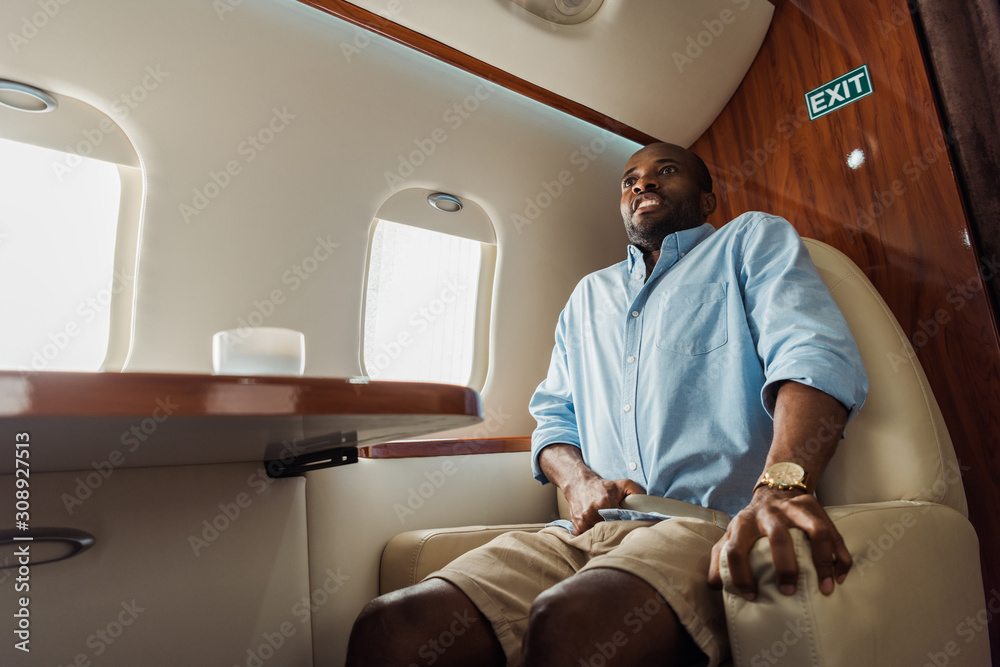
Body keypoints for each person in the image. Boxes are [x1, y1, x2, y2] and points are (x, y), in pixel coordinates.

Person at [345, 142, 869, 667]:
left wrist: (782, 486)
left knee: (572, 623)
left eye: (666, 171)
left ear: (708, 200)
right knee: (393, 625)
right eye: (629, 180)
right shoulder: (587, 296)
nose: (643, 184)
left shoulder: (749, 239)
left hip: (704, 525)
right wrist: (578, 483)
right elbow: (553, 418)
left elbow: (812, 356)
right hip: (585, 533)